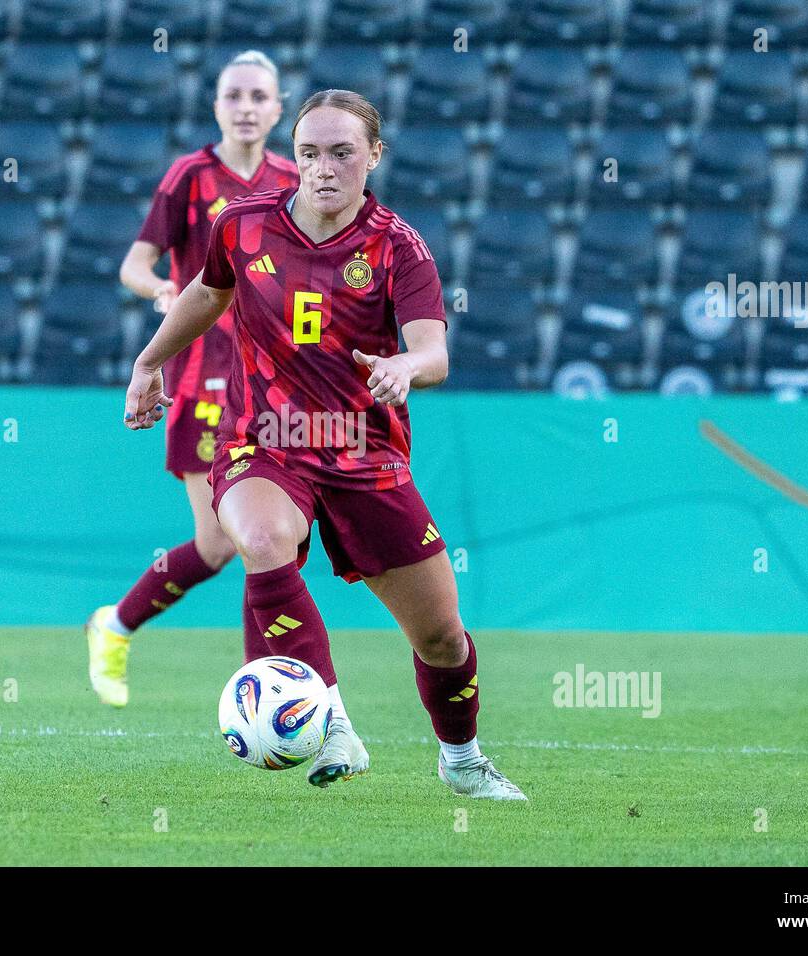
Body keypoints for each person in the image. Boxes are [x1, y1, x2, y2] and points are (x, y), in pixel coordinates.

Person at [123, 89, 526, 799]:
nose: (322, 168)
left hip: (365, 457)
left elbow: (434, 351)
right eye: (309, 152)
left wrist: (405, 366)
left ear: (374, 155)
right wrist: (150, 360)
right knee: (258, 537)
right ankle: (331, 720)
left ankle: (462, 760)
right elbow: (207, 294)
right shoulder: (242, 226)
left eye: (342, 153)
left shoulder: (398, 246)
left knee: (441, 638)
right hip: (265, 443)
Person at [85, 52, 365, 785]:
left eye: (260, 97)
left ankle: (140, 634)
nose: (246, 107)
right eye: (233, 95)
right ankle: (259, 687)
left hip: (271, 384)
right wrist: (168, 293)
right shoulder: (189, 178)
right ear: (217, 107)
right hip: (196, 377)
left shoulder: (291, 181)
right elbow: (134, 264)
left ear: (278, 111)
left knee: (239, 545)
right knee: (228, 544)